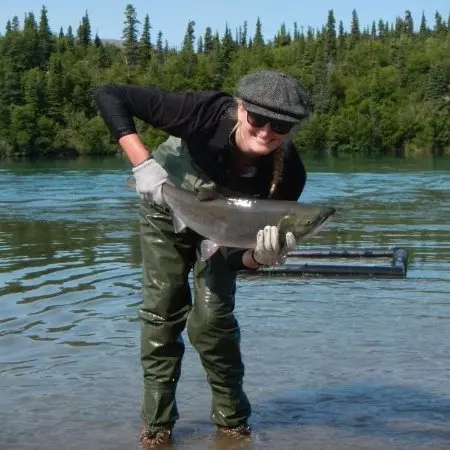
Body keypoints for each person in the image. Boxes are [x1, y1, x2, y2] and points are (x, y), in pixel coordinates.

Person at [94, 70, 311, 448]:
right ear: (241, 110)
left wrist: (258, 259)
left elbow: (232, 262)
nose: (265, 131)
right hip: (168, 201)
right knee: (164, 309)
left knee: (213, 319)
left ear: (292, 128)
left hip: (226, 231)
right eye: (258, 118)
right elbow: (109, 94)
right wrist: (143, 164)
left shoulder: (288, 179)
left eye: (280, 124)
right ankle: (157, 428)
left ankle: (233, 425)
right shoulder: (203, 113)